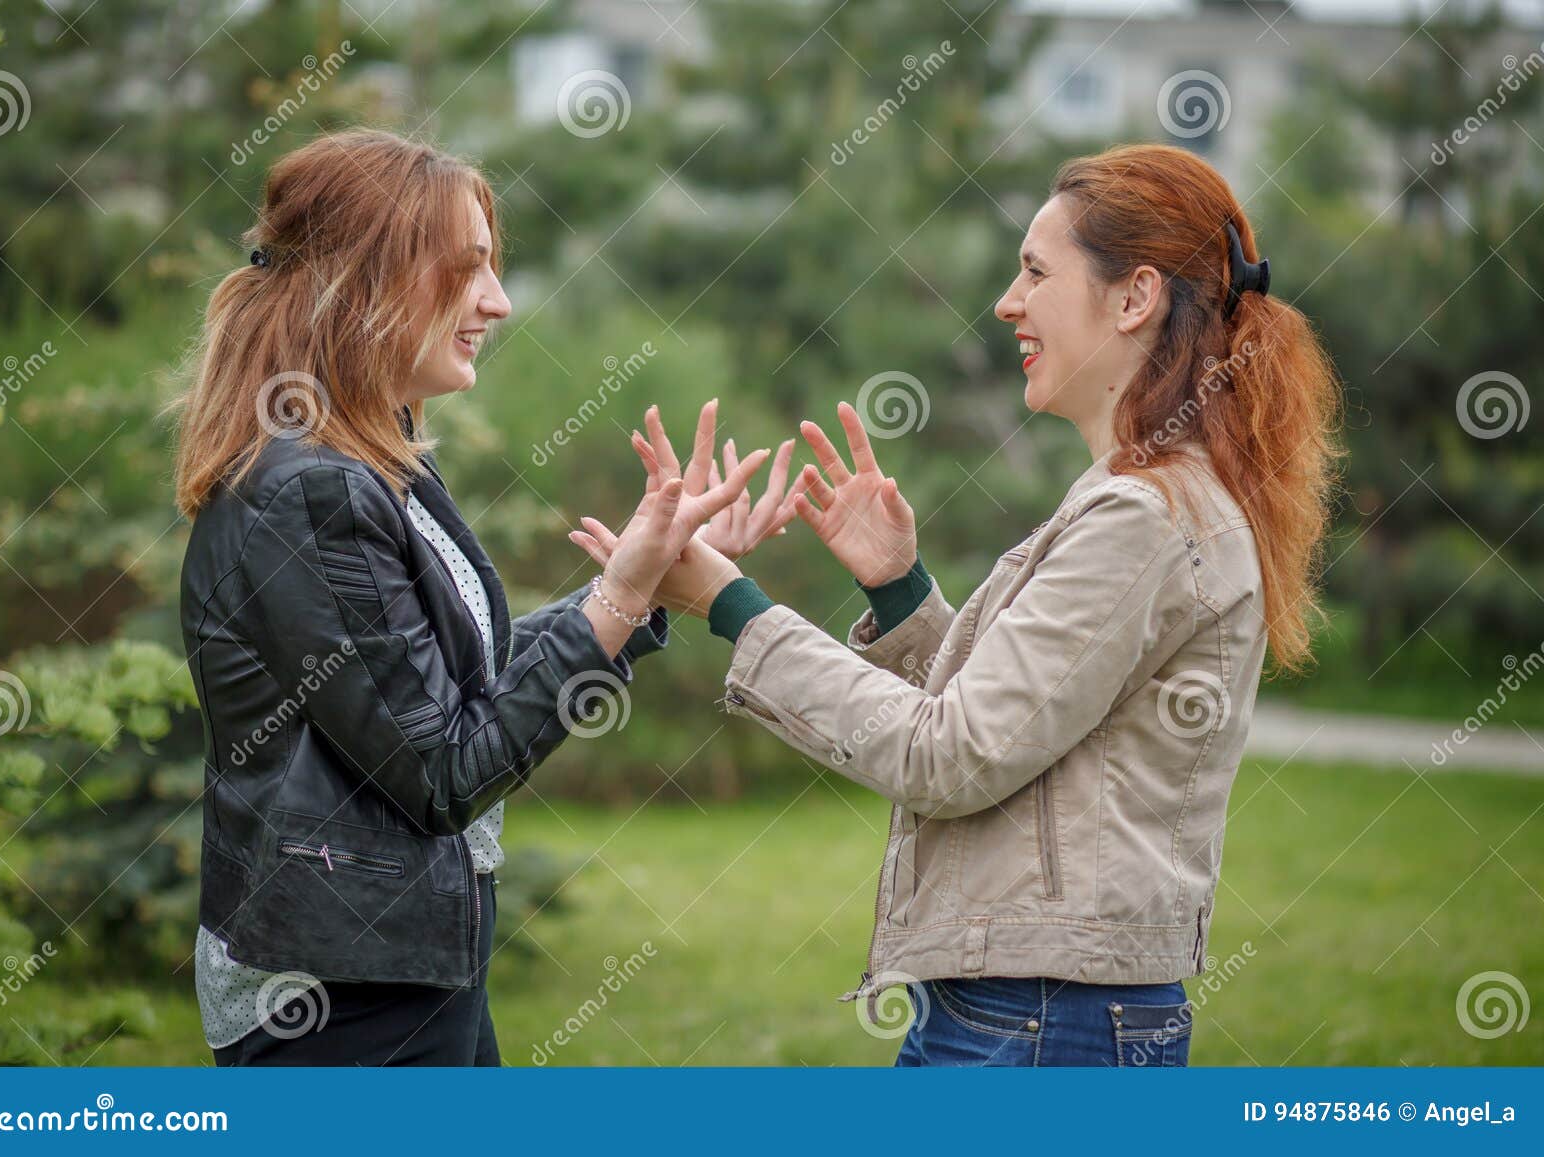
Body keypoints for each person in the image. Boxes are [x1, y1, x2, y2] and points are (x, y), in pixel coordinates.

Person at [571, 143, 1343, 1067]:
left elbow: (952, 756)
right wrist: (899, 591)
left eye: (1035, 272)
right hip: (1035, 1011)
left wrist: (729, 602)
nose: (1008, 303)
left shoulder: (1142, 515)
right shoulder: (1156, 496)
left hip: (1042, 1022)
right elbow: (1028, 730)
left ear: (1134, 297)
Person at [171, 129, 791, 1065]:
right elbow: (443, 770)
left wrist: (637, 588)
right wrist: (616, 596)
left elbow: (437, 683)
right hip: (340, 1006)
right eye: (467, 271)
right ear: (365, 283)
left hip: (396, 975)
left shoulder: (373, 462)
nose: (497, 302)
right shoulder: (311, 488)